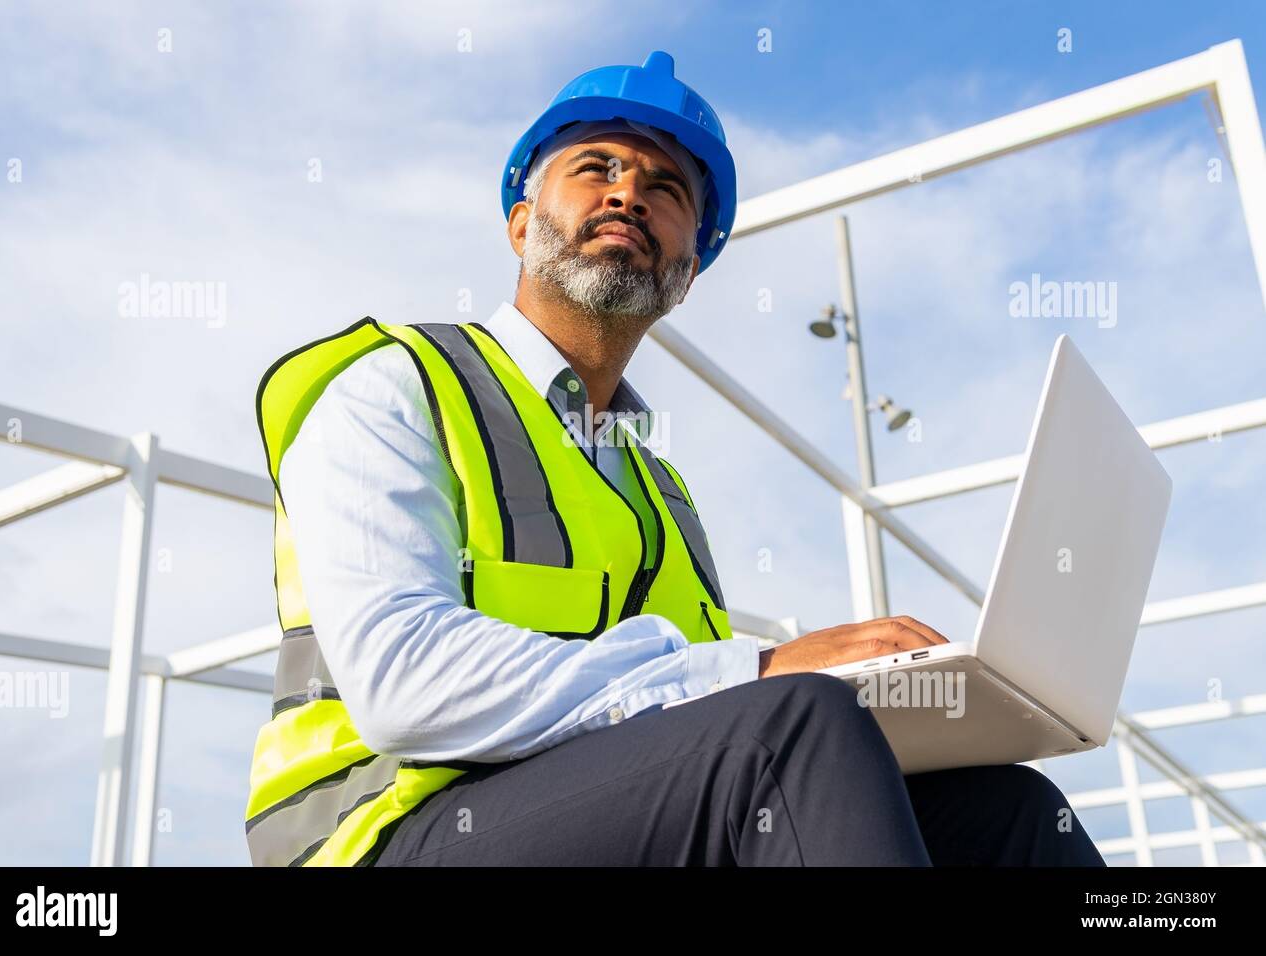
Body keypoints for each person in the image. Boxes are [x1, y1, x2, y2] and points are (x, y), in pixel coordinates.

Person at [244, 51, 1105, 867]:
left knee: (1009, 811)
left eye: (663, 188)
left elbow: (687, 715)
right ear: (520, 225)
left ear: (688, 270)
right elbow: (403, 682)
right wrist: (765, 666)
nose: (628, 194)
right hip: (388, 833)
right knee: (792, 725)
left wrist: (906, 697)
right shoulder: (397, 387)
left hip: (599, 815)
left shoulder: (657, 493)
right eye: (596, 169)